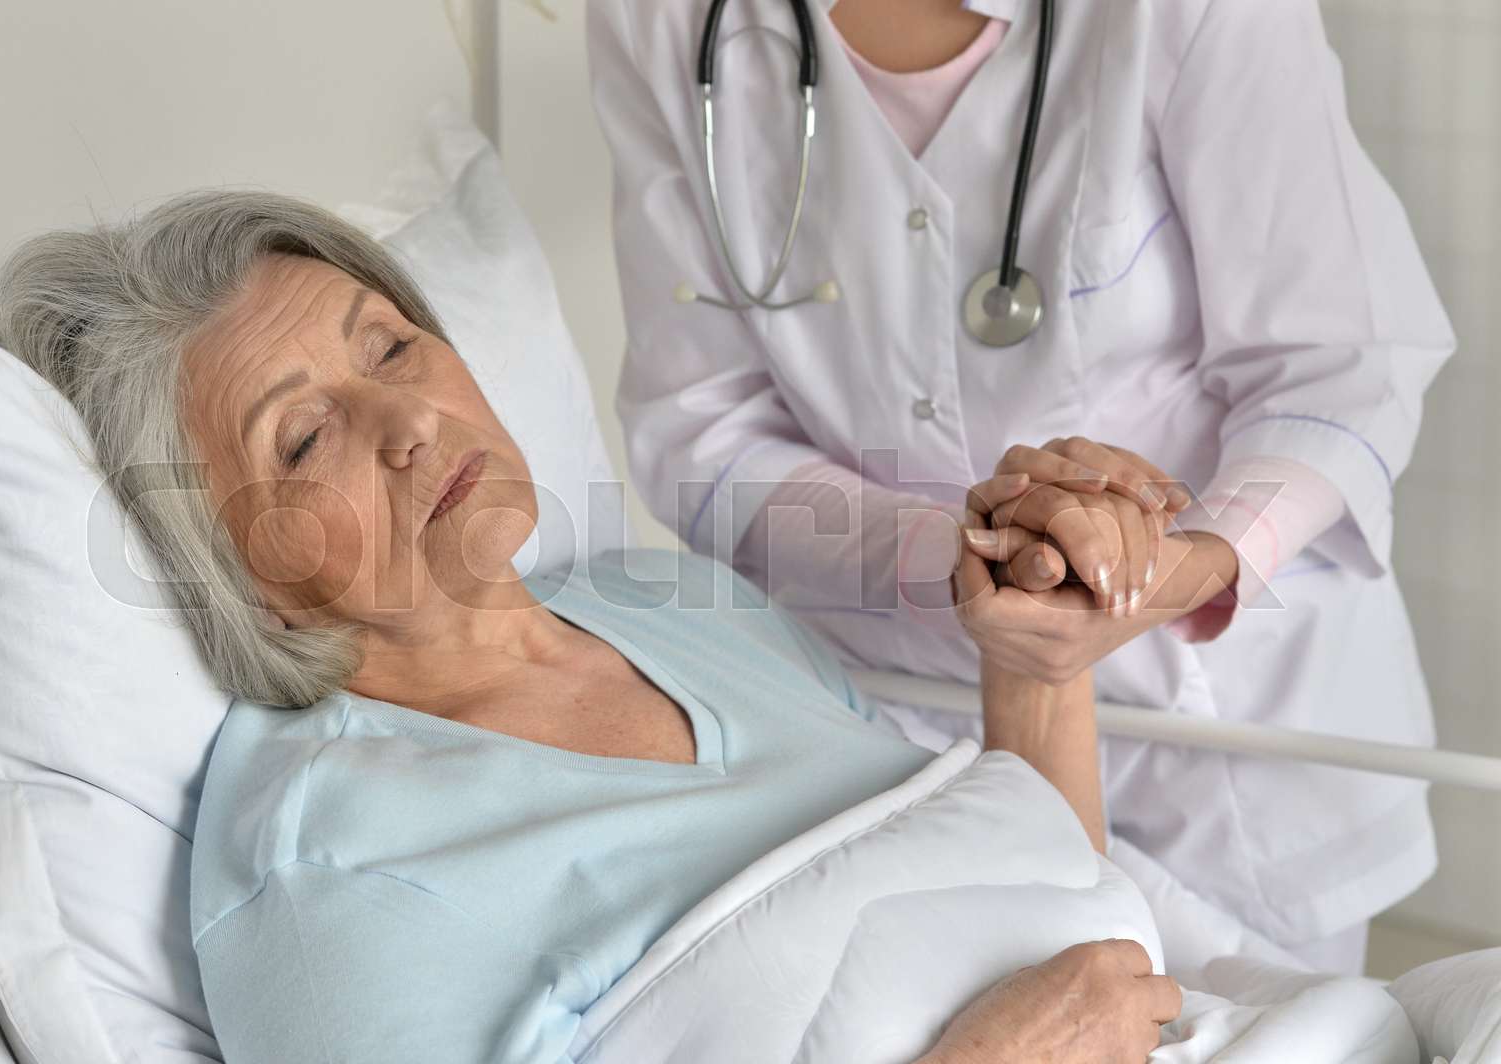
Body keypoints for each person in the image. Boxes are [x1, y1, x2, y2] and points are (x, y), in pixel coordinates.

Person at [0, 191, 1179, 1063]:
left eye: (392, 344)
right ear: (232, 571)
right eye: (302, 439)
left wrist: (1036, 668)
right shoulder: (325, 867)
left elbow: (1040, 890)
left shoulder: (666, 600)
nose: (406, 418)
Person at [587, 0, 1457, 972]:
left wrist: (1169, 567)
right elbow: (705, 427)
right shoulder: (662, 18)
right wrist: (964, 555)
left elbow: (1333, 364)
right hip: (899, 730)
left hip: (1225, 751)